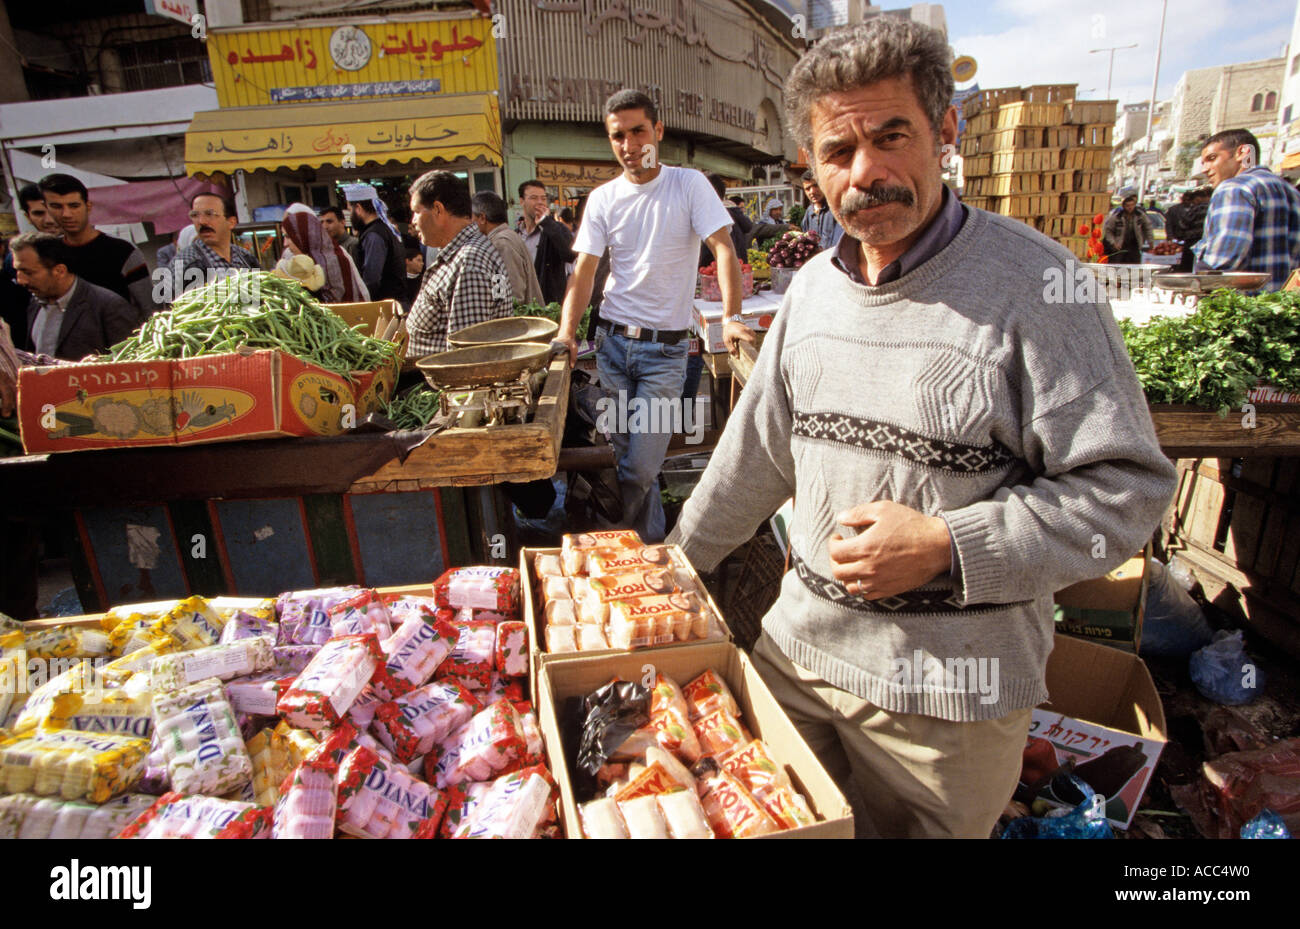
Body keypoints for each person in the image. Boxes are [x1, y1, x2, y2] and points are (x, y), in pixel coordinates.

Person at [665, 18, 1177, 839]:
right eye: (839, 151)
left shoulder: (1039, 288)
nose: (867, 172)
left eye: (891, 135)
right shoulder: (810, 295)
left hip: (948, 706)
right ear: (811, 165)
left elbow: (1129, 490)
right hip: (796, 662)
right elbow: (753, 456)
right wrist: (672, 571)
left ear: (944, 133)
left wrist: (948, 542)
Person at [556, 89, 746, 542]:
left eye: (638, 130)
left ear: (657, 131)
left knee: (640, 466)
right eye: (617, 135)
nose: (628, 144)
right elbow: (584, 272)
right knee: (626, 458)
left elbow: (724, 249)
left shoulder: (689, 185)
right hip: (612, 346)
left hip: (666, 352)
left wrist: (732, 317)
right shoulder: (602, 199)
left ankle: (624, 537)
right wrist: (567, 333)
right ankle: (645, 551)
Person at [406, 171, 513, 357]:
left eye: (416, 212)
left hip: (441, 383)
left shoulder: (469, 261)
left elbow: (467, 356)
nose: (413, 221)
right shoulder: (467, 253)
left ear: (438, 209)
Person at [38, 173, 156, 322]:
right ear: (46, 208)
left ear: (88, 206)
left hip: (122, 340)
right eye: (56, 206)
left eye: (74, 206)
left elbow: (149, 308)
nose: (66, 214)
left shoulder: (122, 251)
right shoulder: (50, 255)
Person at [1195, 128, 1300, 291]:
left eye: (1212, 158)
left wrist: (1200, 287)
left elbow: (1223, 259)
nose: (1205, 169)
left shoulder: (1234, 188)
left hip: (1243, 308)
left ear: (1242, 153)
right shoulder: (1292, 192)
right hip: (1285, 307)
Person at [12, 232, 138, 360]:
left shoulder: (108, 306)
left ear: (59, 271)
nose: (20, 280)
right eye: (17, 271)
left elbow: (129, 363)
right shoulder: (36, 301)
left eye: (28, 273)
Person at [170, 193, 259, 296]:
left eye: (210, 214)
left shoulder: (246, 258)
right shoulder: (184, 264)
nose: (201, 221)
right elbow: (172, 308)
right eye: (195, 215)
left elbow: (261, 297)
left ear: (231, 222)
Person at [280, 203, 368, 304]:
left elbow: (337, 301)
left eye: (289, 236)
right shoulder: (291, 255)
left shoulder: (334, 258)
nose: (285, 244)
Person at [473, 190, 543, 306]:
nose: (470, 222)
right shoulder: (505, 237)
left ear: (482, 218)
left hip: (518, 322)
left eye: (472, 217)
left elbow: (510, 295)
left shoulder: (501, 243)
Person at [345, 186, 407, 303]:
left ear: (358, 208)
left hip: (387, 308)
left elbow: (371, 278)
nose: (349, 215)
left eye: (349, 210)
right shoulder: (382, 229)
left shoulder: (374, 235)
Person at [517, 179, 575, 305]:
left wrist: (546, 222)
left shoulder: (556, 229)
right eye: (533, 198)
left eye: (543, 198)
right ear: (521, 201)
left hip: (548, 308)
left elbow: (570, 254)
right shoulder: (517, 235)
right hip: (523, 306)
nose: (539, 203)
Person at [1102, 195, 1153, 264]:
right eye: (1127, 205)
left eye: (1132, 205)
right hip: (1120, 246)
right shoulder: (1117, 217)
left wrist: (1150, 241)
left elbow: (1148, 227)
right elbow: (1108, 230)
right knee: (1118, 266)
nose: (1130, 207)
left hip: (1135, 245)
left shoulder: (1140, 215)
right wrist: (1113, 243)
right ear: (1123, 206)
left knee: (1135, 266)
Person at [800, 169, 844, 248]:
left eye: (816, 185)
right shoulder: (809, 212)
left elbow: (841, 243)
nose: (812, 191)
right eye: (807, 188)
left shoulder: (836, 208)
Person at [400, 234, 424, 312]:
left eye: (422, 261)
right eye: (418, 260)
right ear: (408, 261)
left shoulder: (424, 280)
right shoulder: (399, 280)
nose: (422, 263)